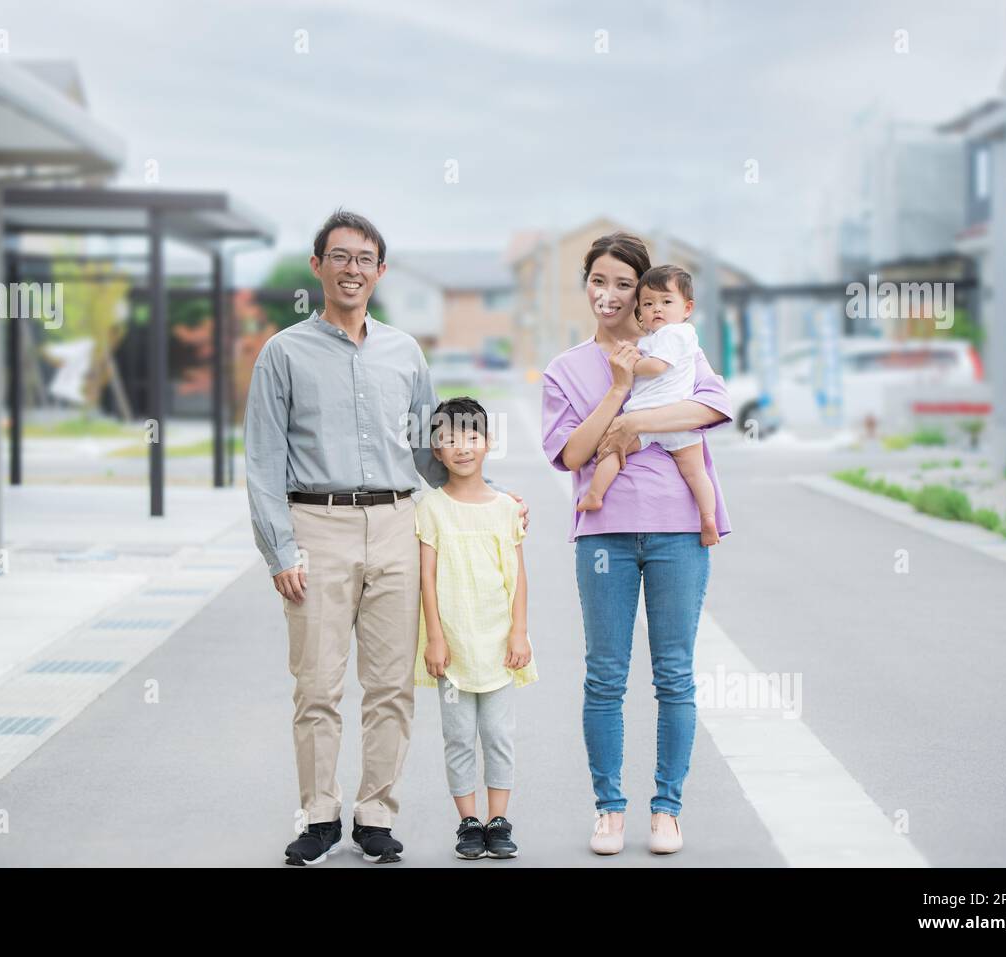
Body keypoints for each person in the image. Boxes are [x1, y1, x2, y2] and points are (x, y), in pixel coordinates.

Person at [244, 209, 528, 866]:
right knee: (316, 682)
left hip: (400, 523)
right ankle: (319, 814)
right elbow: (262, 459)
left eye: (364, 258)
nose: (352, 269)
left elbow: (434, 451)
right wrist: (279, 549)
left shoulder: (405, 351)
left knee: (391, 684)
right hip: (317, 523)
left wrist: (492, 495)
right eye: (339, 256)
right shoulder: (284, 352)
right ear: (318, 266)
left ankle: (375, 813)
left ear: (380, 270)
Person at [540, 232, 733, 856]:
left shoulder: (679, 346)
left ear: (651, 295)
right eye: (600, 281)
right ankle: (609, 810)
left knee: (674, 675)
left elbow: (709, 410)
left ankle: (667, 809)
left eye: (627, 285)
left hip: (678, 530)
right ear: (586, 286)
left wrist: (634, 423)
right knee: (605, 676)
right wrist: (620, 389)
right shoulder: (566, 368)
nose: (613, 295)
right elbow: (571, 453)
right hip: (605, 535)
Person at [413, 396, 538, 860]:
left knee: (498, 734)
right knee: (459, 734)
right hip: (451, 647)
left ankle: (498, 820)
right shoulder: (431, 508)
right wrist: (435, 638)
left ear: (489, 443)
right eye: (448, 439)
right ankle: (468, 821)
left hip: (498, 643)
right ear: (436, 451)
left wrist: (519, 632)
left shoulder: (506, 508)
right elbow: (426, 577)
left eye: (471, 436)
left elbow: (518, 574)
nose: (461, 447)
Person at [577, 265, 720, 547]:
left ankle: (595, 493)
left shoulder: (675, 334)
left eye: (667, 302)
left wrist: (631, 366)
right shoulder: (654, 339)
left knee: (613, 450)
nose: (657, 309)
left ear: (687, 308)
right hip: (678, 424)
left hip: (655, 415)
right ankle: (707, 517)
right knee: (695, 471)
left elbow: (655, 367)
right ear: (639, 311)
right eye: (649, 304)